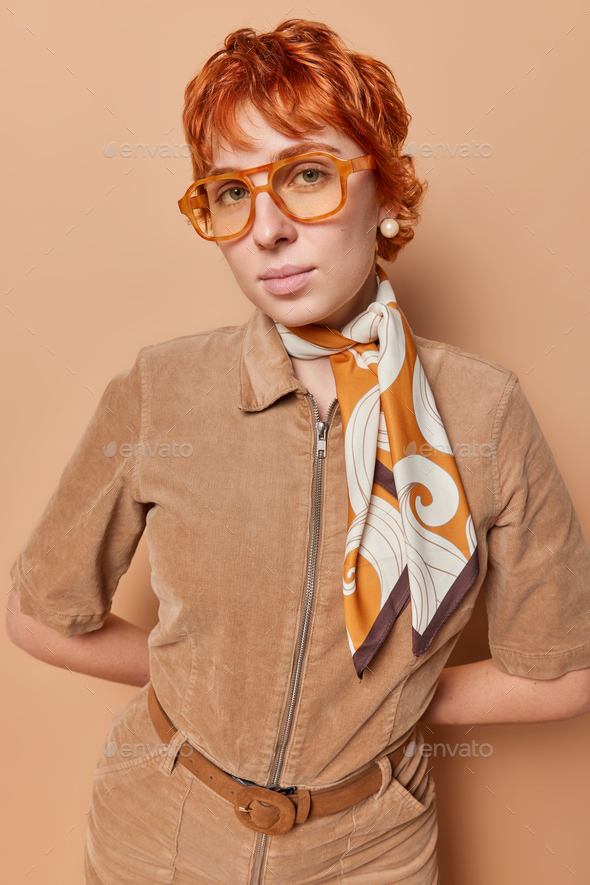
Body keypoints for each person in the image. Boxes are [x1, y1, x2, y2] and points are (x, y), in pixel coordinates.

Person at [6, 18, 590, 885]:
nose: (267, 228)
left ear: (387, 195)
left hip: (371, 853)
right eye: (232, 191)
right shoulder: (159, 389)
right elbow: (38, 614)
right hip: (154, 841)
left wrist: (374, 700)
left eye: (307, 175)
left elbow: (562, 676)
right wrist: (201, 675)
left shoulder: (485, 410)